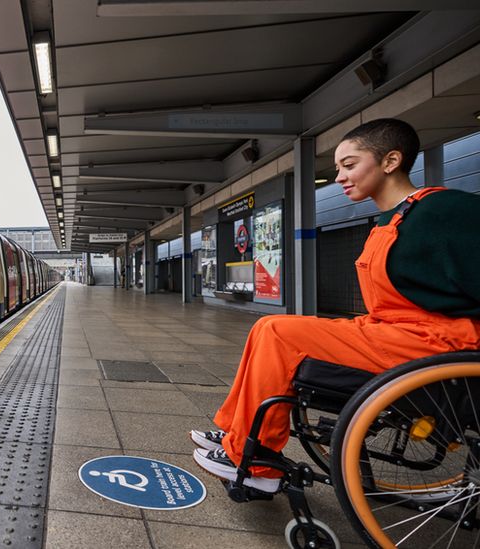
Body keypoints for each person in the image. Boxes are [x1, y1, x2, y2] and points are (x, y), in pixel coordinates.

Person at [190, 118, 480, 492]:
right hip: (394, 331)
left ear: (391, 161)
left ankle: (257, 464)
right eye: (339, 167)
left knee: (280, 333)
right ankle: (237, 432)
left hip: (437, 343)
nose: (340, 176)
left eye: (350, 164)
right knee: (268, 326)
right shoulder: (390, 219)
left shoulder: (443, 210)